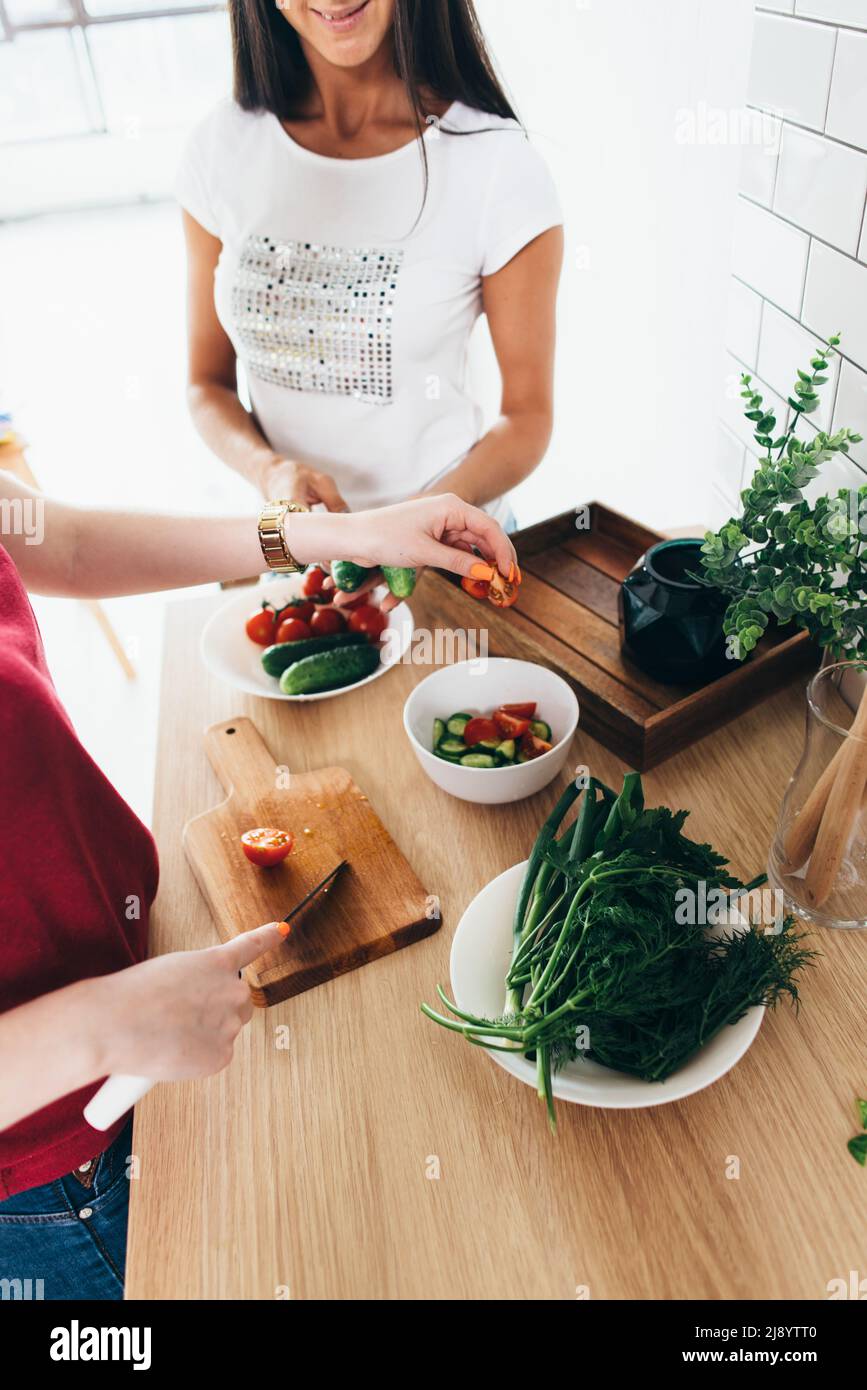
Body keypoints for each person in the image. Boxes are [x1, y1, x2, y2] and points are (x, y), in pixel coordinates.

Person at [0, 477, 515, 1299]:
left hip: (148, 971)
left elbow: (63, 542)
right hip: (58, 1166)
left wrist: (342, 535)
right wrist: (95, 1029)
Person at [178, 0, 563, 541]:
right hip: (300, 553)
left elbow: (527, 418)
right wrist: (270, 472)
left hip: (447, 552)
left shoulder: (497, 163)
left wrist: (419, 522)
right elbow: (205, 384)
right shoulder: (221, 146)